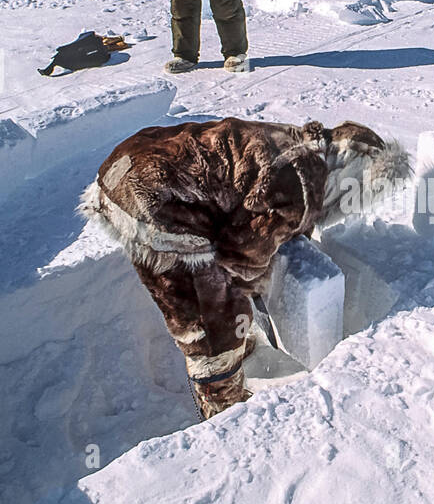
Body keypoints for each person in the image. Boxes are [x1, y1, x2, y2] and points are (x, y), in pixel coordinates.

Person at [78, 117, 410, 419]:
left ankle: (228, 360)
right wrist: (256, 291)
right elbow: (242, 254)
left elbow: (261, 202)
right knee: (211, 313)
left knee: (207, 298)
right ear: (351, 175)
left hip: (127, 164)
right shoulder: (304, 184)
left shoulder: (296, 145)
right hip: (152, 194)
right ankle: (221, 401)